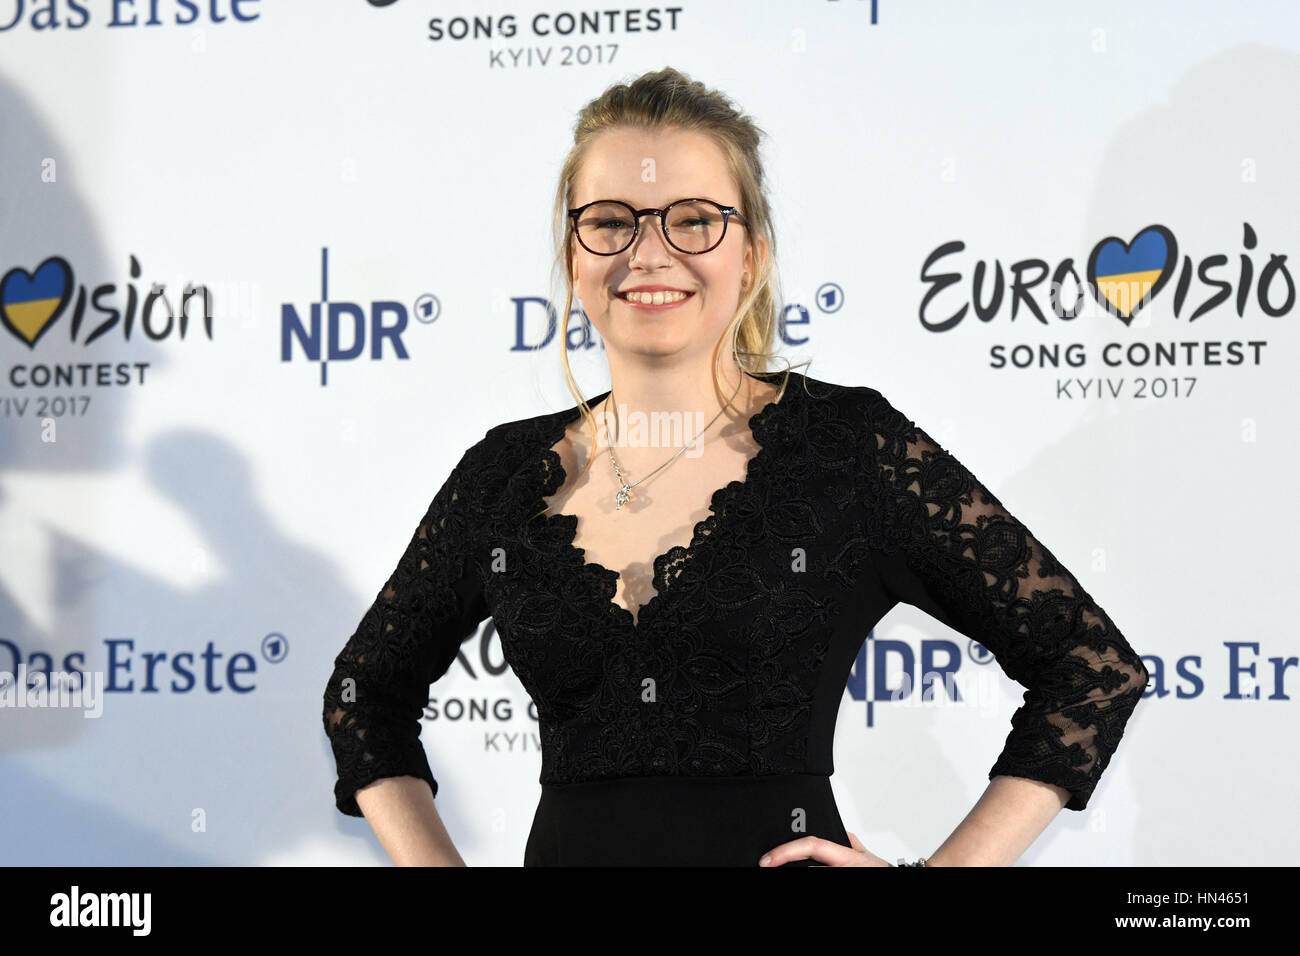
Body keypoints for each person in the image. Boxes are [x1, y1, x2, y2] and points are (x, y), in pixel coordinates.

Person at [321, 67, 1150, 867]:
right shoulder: (503, 474)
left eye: (693, 219)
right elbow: (365, 693)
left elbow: (1090, 667)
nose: (649, 252)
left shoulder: (847, 447)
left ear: (750, 257)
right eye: (611, 220)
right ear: (573, 257)